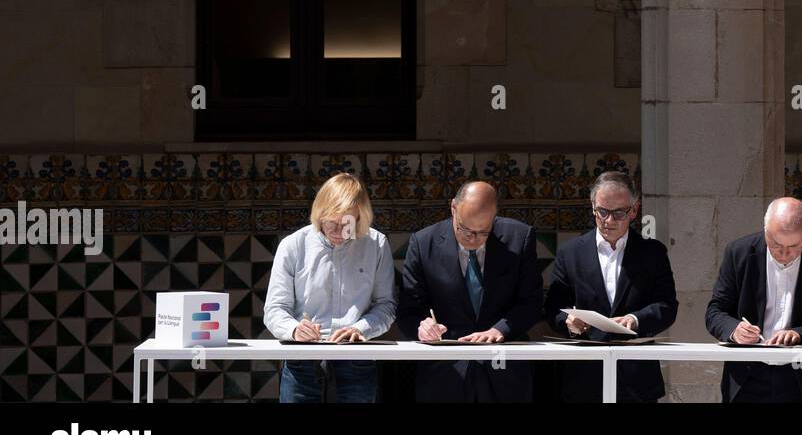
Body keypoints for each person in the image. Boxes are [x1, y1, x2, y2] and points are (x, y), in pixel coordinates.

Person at [396, 180, 543, 401]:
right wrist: (423, 327)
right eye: (465, 230)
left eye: (483, 232)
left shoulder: (519, 237)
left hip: (504, 372)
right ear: (453, 208)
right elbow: (409, 310)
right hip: (445, 372)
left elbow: (532, 302)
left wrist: (499, 330)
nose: (473, 240)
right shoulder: (423, 242)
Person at [543, 171, 678, 402]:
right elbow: (553, 307)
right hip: (583, 379)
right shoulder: (571, 252)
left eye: (618, 213)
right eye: (602, 212)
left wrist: (634, 319)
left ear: (634, 211)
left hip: (636, 379)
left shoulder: (653, 252)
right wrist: (569, 322)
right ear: (593, 206)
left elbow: (667, 306)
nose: (608, 221)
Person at [263, 171, 396, 402]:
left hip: (357, 358)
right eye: (331, 223)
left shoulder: (376, 244)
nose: (338, 232)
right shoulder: (293, 245)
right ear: (319, 215)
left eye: (347, 225)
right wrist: (295, 329)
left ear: (361, 218)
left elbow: (386, 306)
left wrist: (361, 329)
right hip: (302, 359)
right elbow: (274, 309)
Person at [705, 197, 802, 402]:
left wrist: (799, 335)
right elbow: (715, 312)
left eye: (793, 246)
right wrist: (734, 330)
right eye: (775, 244)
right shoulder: (739, 253)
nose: (783, 253)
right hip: (746, 375)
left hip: (801, 377)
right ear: (765, 231)